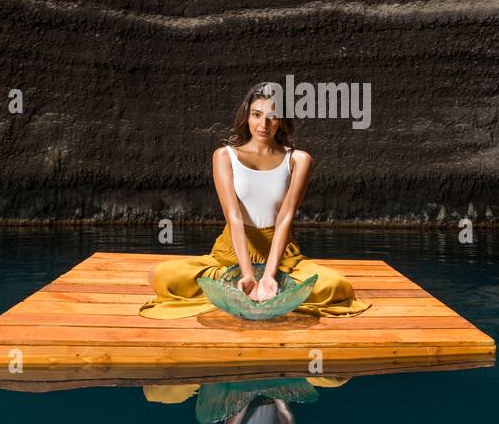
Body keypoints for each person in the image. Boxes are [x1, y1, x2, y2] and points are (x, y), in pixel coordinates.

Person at [140, 82, 371, 319]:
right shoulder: (225, 156)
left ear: (281, 120)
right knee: (160, 275)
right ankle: (243, 286)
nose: (263, 124)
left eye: (272, 116)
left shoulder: (299, 160)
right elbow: (234, 217)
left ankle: (262, 287)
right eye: (256, 115)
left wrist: (269, 275)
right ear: (246, 117)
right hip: (231, 254)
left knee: (338, 286)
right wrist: (248, 275)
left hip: (282, 257)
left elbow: (285, 218)